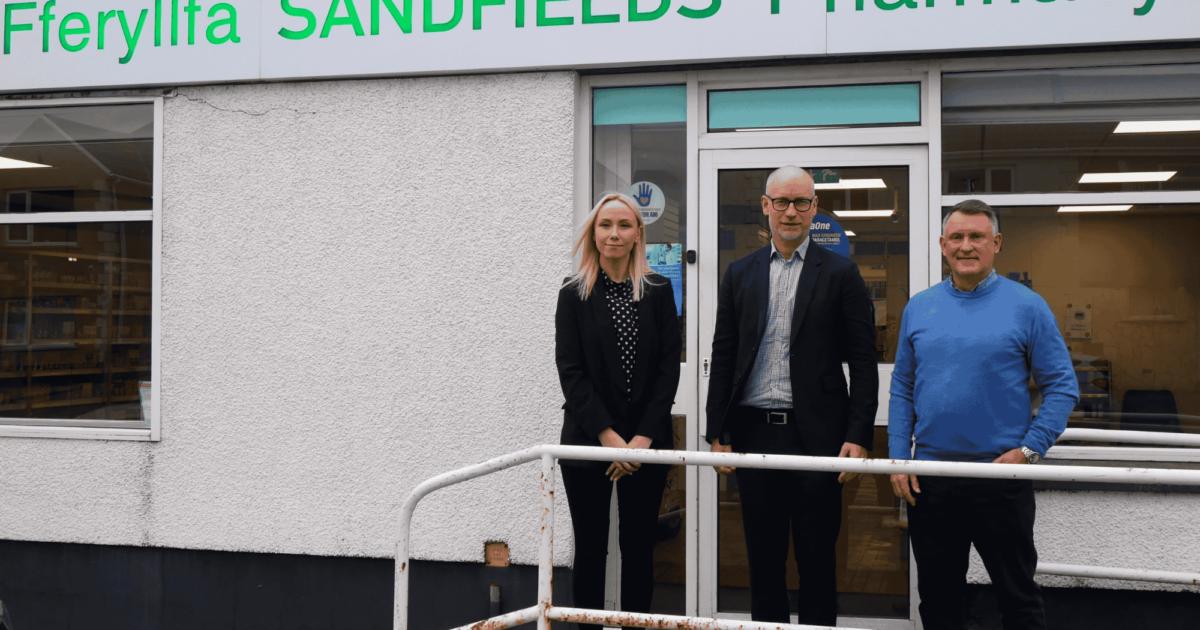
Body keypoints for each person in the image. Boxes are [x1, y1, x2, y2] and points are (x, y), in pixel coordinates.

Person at [888, 199, 1079, 630]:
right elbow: (902, 387)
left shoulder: (1027, 306)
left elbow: (1062, 387)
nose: (966, 246)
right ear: (942, 244)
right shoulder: (920, 307)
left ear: (997, 243)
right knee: (939, 602)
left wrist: (1029, 451)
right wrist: (898, 458)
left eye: (977, 236)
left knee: (1018, 600)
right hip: (931, 480)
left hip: (1001, 478)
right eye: (956, 237)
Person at [705, 166, 878, 625]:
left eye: (801, 202)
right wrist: (716, 432)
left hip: (817, 439)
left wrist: (858, 434)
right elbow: (724, 355)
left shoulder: (841, 274)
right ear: (766, 206)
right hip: (755, 436)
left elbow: (864, 361)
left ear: (814, 208)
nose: (790, 212)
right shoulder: (740, 274)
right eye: (781, 202)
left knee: (817, 560)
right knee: (763, 562)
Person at [555, 192, 681, 629]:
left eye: (624, 225)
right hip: (588, 442)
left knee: (639, 548)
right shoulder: (573, 293)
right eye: (605, 225)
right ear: (593, 233)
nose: (614, 234)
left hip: (645, 443)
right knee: (591, 549)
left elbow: (668, 369)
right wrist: (609, 437)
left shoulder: (659, 291)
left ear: (638, 234)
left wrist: (641, 439)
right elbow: (571, 371)